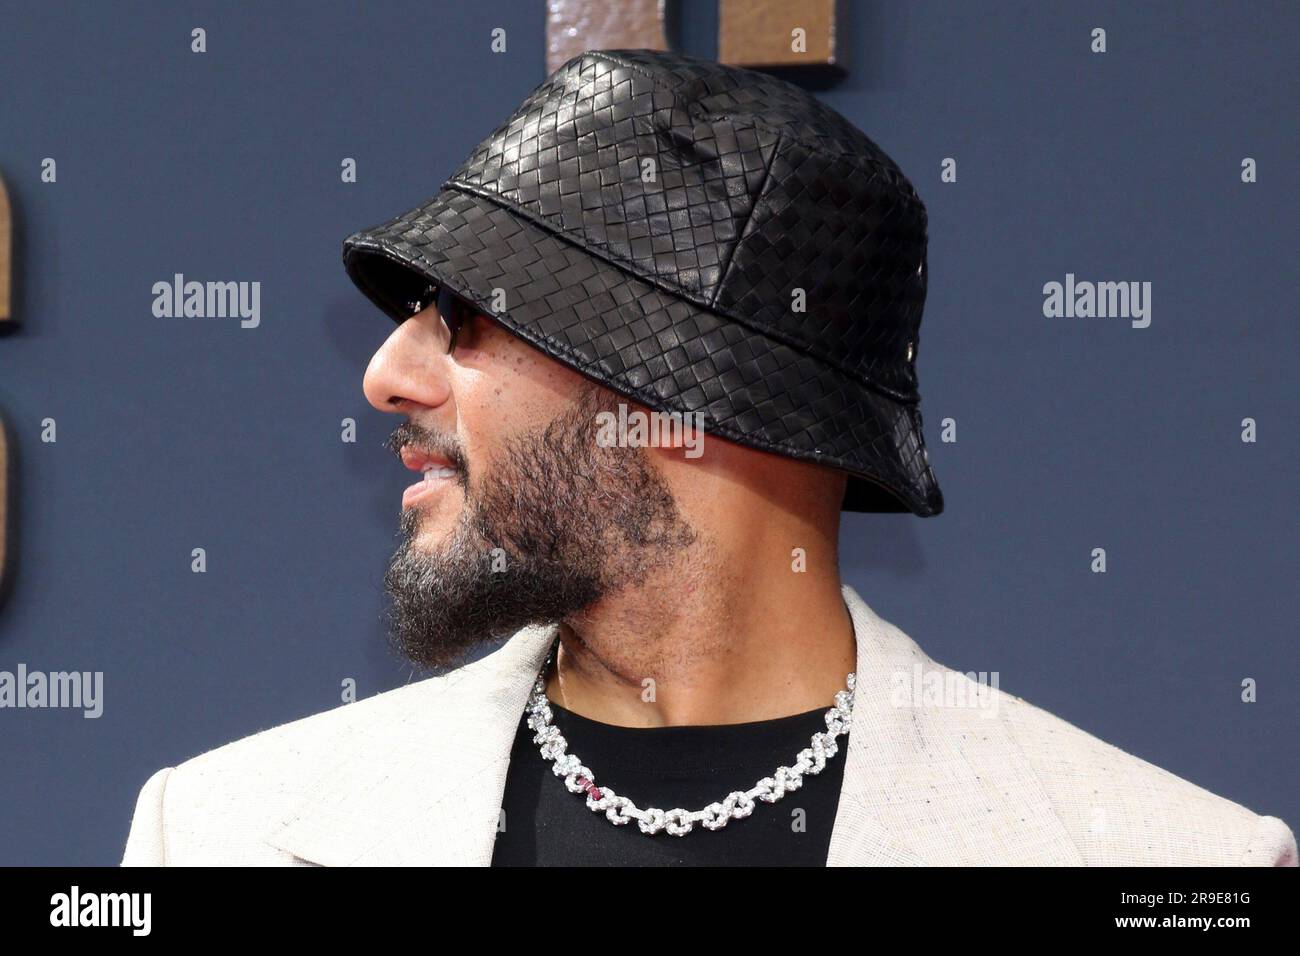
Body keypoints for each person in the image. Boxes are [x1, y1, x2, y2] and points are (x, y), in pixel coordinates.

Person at [121, 48, 1295, 866]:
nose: (387, 374)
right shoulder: (218, 829)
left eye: (463, 314)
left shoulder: (1169, 863)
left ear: (691, 396)